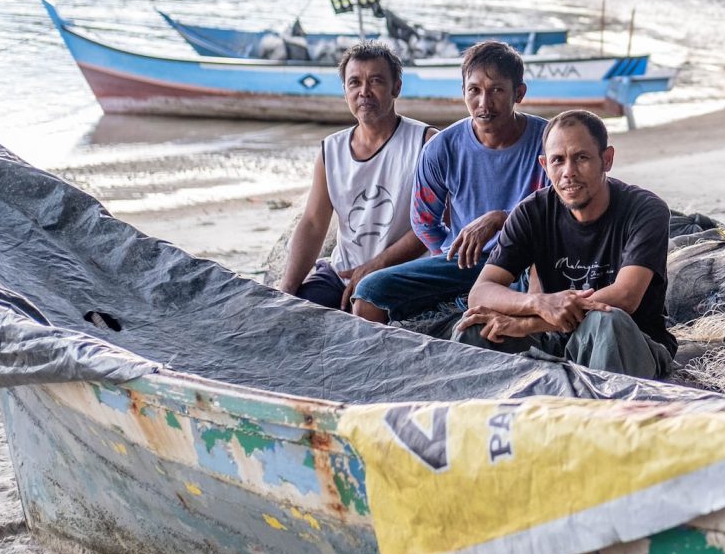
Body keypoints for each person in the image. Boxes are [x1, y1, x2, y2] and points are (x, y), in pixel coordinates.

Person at [454, 110, 675, 379]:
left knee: (606, 321)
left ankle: (600, 417)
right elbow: (481, 292)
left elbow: (625, 297)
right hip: (553, 340)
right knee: (476, 328)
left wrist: (527, 325)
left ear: (606, 160)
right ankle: (497, 419)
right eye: (558, 161)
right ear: (545, 165)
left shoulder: (645, 210)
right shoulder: (531, 212)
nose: (568, 172)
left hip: (632, 341)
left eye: (581, 158)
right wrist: (538, 303)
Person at [345, 41, 548, 323]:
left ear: (519, 93)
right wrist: (449, 252)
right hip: (465, 266)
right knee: (370, 293)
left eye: (497, 90)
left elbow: (564, 213)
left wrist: (502, 219)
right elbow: (424, 221)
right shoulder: (442, 148)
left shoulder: (549, 141)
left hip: (527, 265)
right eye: (474, 90)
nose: (484, 103)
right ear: (463, 92)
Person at [276, 42, 433, 309]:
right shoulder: (331, 150)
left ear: (397, 87)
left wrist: (376, 266)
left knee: (366, 307)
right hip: (342, 272)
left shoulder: (425, 142)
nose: (364, 92)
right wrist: (285, 290)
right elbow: (314, 223)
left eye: (376, 81)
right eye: (355, 83)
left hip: (402, 273)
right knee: (298, 312)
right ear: (345, 91)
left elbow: (432, 225)